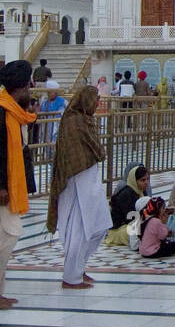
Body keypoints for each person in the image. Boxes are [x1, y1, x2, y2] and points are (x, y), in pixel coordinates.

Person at [46, 86, 111, 289]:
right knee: (79, 229)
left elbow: (95, 150)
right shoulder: (74, 122)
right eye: (95, 99)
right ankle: (71, 277)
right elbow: (81, 153)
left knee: (99, 226)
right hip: (76, 182)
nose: (97, 103)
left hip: (89, 181)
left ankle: (79, 268)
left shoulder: (85, 120)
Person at [0, 61, 37, 309]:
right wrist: (2, 186)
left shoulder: (14, 113)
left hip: (10, 187)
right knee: (8, 236)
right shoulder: (3, 112)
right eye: (29, 85)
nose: (32, 89)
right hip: (3, 189)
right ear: (21, 87)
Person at [104, 164, 150, 247]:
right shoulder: (126, 195)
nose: (146, 183)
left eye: (147, 179)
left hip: (136, 223)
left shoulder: (141, 192)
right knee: (140, 232)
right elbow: (130, 218)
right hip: (120, 229)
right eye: (142, 180)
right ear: (134, 181)